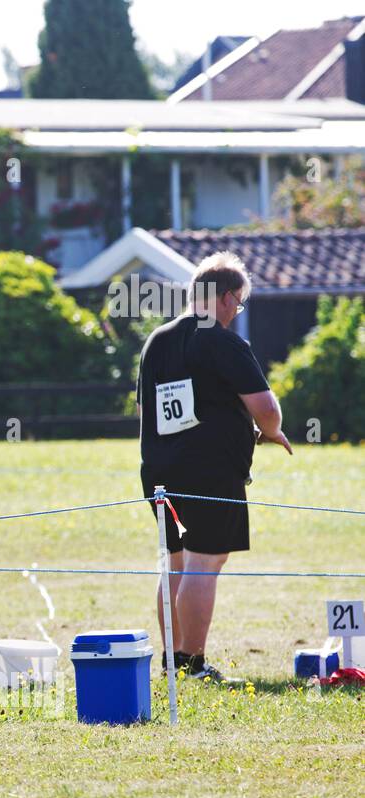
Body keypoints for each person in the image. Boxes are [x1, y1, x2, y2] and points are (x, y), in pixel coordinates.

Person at [136, 252, 292, 683]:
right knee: (205, 563)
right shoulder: (223, 341)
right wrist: (270, 431)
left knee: (176, 562)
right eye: (238, 303)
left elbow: (143, 410)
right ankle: (193, 663)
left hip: (159, 471)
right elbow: (265, 408)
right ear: (224, 298)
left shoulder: (156, 341)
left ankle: (173, 661)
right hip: (210, 472)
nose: (236, 312)